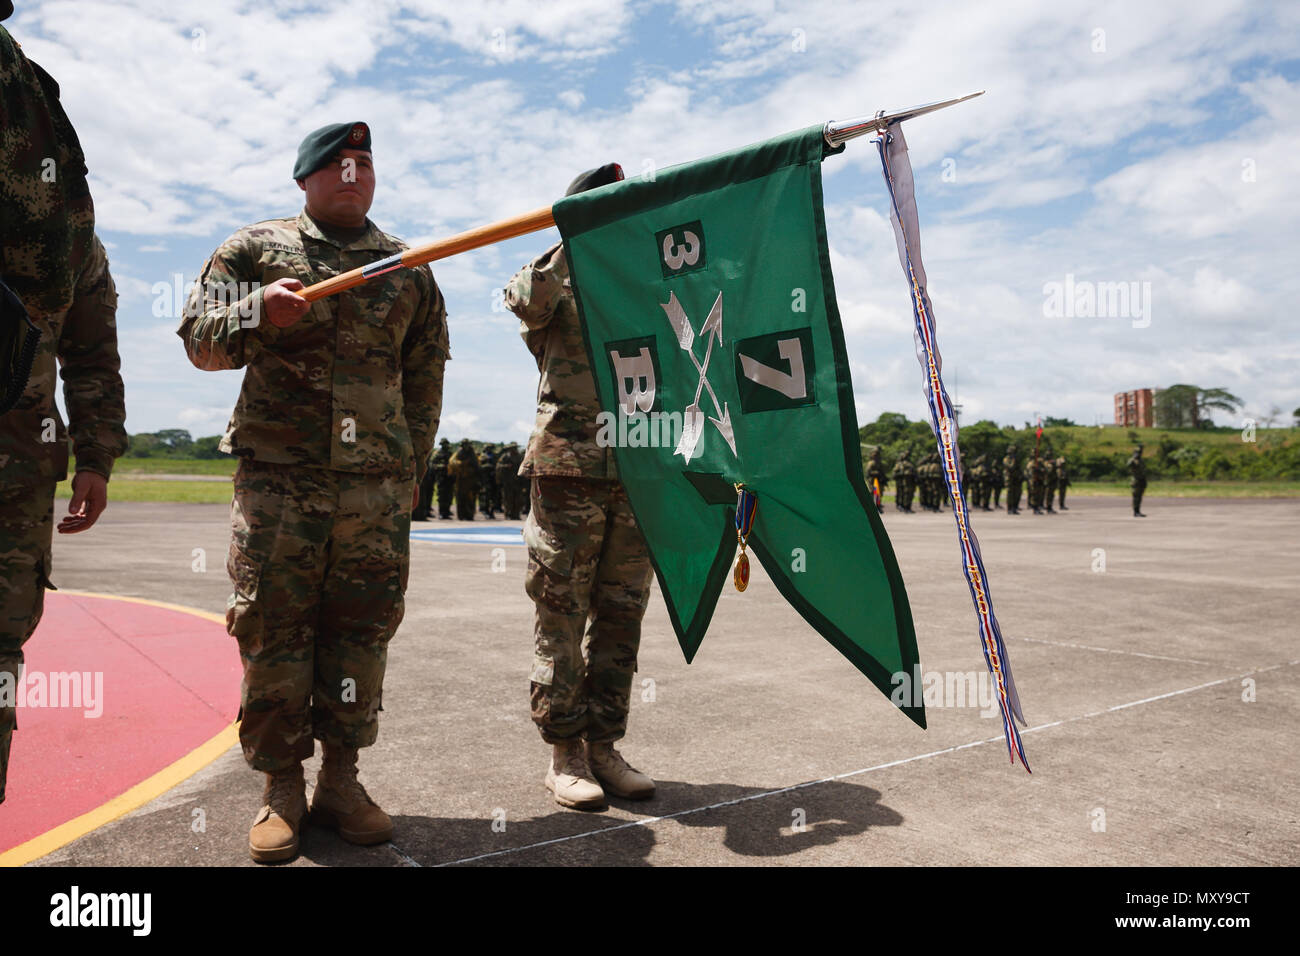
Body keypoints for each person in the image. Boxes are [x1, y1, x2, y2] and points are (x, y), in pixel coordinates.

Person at [178, 121, 450, 863]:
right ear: (306, 179)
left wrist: (408, 472)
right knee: (272, 629)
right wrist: (256, 310)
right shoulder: (254, 250)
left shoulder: (408, 267)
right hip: (280, 486)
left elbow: (424, 380)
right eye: (339, 165)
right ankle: (280, 787)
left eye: (365, 163)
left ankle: (342, 780)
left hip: (373, 494)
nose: (355, 174)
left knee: (361, 632)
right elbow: (199, 341)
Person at [1, 15, 128, 805]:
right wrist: (95, 456)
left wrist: (98, 454)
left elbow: (91, 336)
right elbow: (92, 341)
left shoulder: (34, 105)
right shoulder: (44, 116)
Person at [504, 162, 657, 811]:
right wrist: (575, 235)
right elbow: (524, 299)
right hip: (569, 470)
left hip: (640, 470)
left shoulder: (644, 288)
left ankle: (604, 744)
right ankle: (564, 751)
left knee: (621, 615)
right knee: (561, 614)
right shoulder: (553, 282)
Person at [449, 438, 479, 520]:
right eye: (465, 444)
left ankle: (470, 515)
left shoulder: (473, 454)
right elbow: (452, 463)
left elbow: (477, 466)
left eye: (467, 444)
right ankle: (461, 515)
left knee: (471, 498)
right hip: (460, 480)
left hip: (470, 480)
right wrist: (462, 463)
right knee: (460, 498)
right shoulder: (458, 453)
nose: (466, 446)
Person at [496, 441, 523, 520]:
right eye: (512, 448)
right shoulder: (505, 456)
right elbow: (498, 466)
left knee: (518, 499)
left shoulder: (519, 456)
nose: (514, 450)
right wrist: (506, 466)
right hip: (507, 482)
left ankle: (516, 514)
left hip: (517, 482)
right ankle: (508, 514)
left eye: (515, 448)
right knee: (508, 499)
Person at [430, 437, 453, 519]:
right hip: (441, 477)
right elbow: (432, 465)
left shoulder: (450, 453)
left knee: (449, 495)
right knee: (441, 496)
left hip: (449, 478)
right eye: (444, 444)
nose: (445, 446)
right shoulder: (437, 453)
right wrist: (442, 466)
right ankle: (441, 512)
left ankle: (447, 512)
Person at [891, 447, 916, 513]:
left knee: (909, 495)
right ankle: (903, 506)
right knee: (903, 495)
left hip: (909, 482)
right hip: (902, 482)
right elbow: (894, 473)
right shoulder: (899, 464)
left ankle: (907, 507)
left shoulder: (910, 464)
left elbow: (914, 473)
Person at [865, 446, 888, 512]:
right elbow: (868, 472)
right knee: (872, 492)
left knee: (878, 493)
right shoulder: (871, 463)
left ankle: (878, 506)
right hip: (872, 480)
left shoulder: (879, 463)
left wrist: (884, 477)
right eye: (876, 455)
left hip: (878, 480)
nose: (878, 457)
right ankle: (870, 506)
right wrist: (876, 472)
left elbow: (882, 471)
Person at [1003, 444, 1023, 515]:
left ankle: (1014, 507)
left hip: (1016, 478)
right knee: (1010, 494)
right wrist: (1014, 460)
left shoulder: (1016, 459)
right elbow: (1011, 467)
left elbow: (1019, 469)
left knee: (1016, 493)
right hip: (1009, 479)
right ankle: (1010, 508)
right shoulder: (1006, 459)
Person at [1128, 444, 1147, 517]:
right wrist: (1134, 458)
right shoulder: (1133, 460)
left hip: (1142, 480)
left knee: (1140, 497)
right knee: (1136, 497)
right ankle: (1135, 512)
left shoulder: (1141, 461)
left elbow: (1143, 470)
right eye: (1138, 452)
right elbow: (1128, 464)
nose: (1140, 454)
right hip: (1136, 481)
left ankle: (1138, 511)